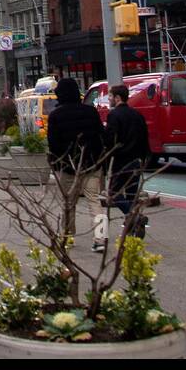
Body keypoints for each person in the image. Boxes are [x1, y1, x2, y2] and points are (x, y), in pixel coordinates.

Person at [47, 77, 107, 249]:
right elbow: (100, 137)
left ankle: (67, 237)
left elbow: (54, 145)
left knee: (68, 203)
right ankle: (100, 238)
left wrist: (57, 163)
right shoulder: (91, 112)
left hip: (67, 166)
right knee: (94, 201)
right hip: (91, 163)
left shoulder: (56, 116)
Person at [104, 84, 150, 238]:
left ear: (117, 98)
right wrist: (144, 158)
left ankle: (135, 218)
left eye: (110, 96)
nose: (109, 99)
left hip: (121, 160)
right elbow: (144, 137)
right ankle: (132, 229)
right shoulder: (137, 115)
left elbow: (111, 139)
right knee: (131, 194)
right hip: (136, 159)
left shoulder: (114, 116)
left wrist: (108, 155)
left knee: (113, 193)